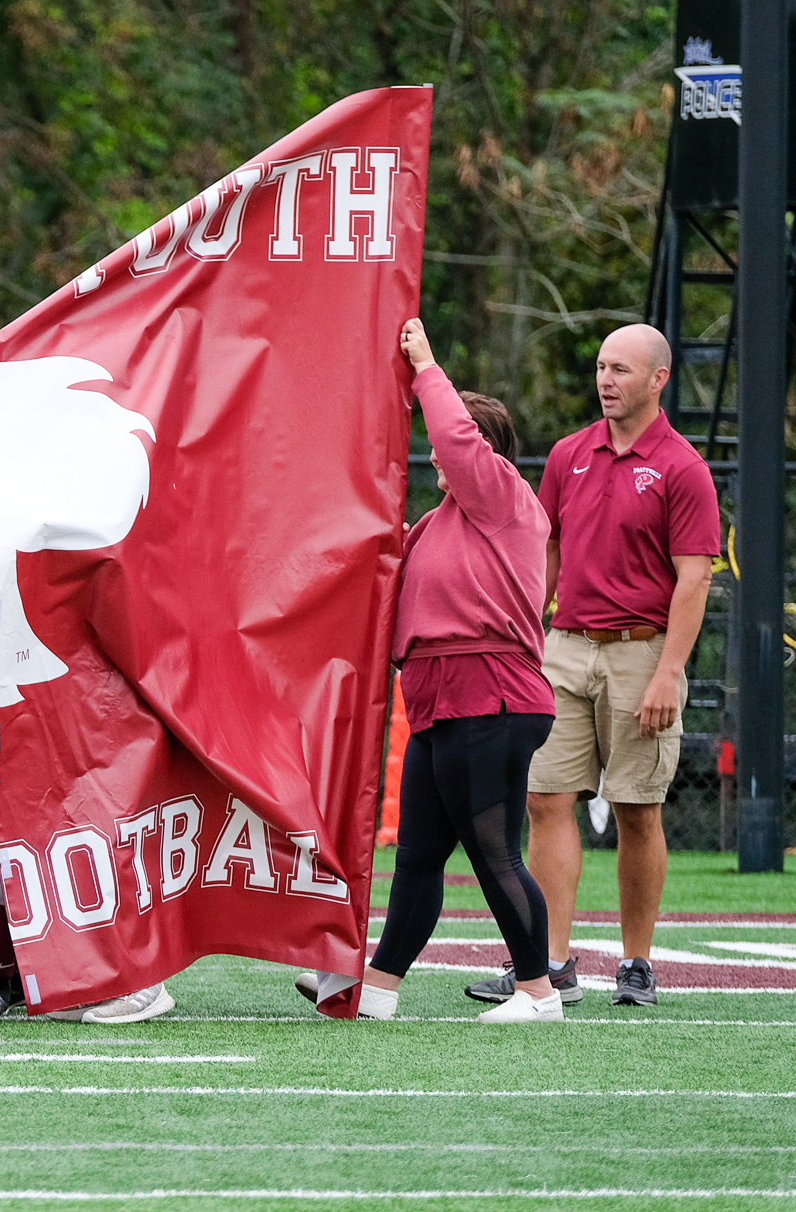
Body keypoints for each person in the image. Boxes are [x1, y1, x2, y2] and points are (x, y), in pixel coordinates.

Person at [302, 320, 557, 1021]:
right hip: (439, 699)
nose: (440, 451)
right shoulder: (435, 523)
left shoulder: (506, 497)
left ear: (486, 450)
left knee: (494, 851)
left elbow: (457, 441)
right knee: (416, 853)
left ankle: (539, 992)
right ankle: (377, 985)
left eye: (458, 439)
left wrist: (426, 367)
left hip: (493, 693)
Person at [473, 323, 719, 1009]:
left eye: (621, 369)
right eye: (603, 367)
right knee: (545, 799)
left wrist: (670, 670)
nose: (606, 379)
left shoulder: (683, 467)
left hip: (643, 650)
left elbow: (694, 578)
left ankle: (637, 962)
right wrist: (530, 636)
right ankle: (551, 962)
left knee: (639, 810)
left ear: (658, 379)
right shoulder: (568, 454)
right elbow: (543, 552)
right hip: (565, 646)